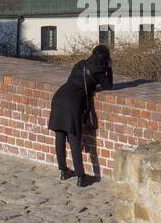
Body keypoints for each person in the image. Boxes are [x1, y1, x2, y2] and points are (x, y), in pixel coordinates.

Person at [47, 44, 112, 187]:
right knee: (74, 139)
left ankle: (64, 171)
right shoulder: (99, 71)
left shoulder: (80, 64)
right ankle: (81, 177)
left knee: (60, 136)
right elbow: (108, 86)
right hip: (72, 103)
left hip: (59, 97)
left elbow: (72, 80)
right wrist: (109, 68)